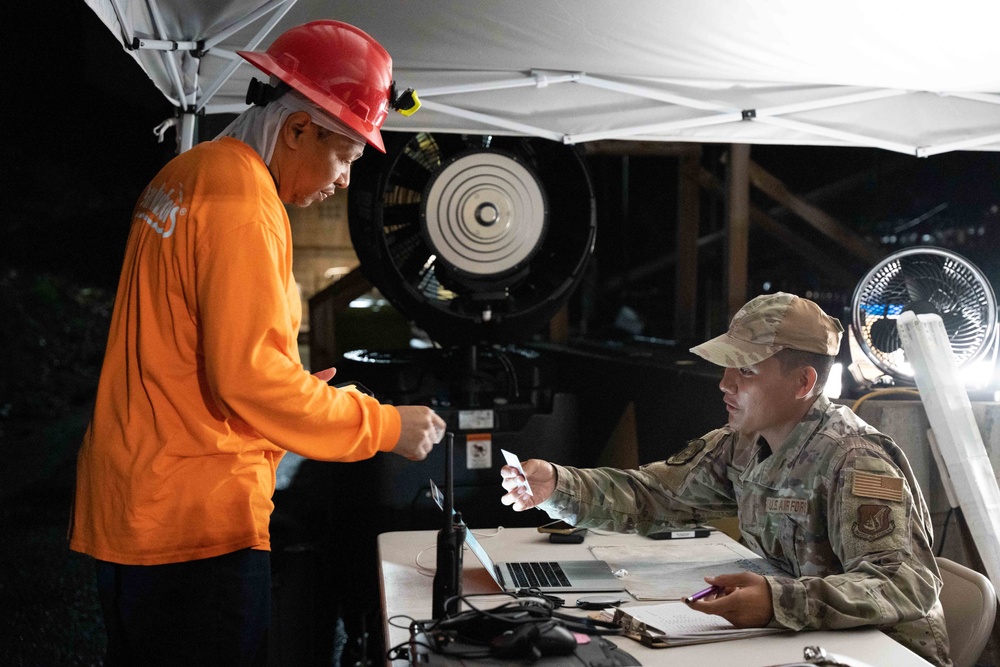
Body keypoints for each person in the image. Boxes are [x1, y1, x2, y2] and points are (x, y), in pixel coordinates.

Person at [69, 20, 444, 666]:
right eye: (347, 156)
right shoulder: (245, 201)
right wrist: (384, 424)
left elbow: (193, 357)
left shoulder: (188, 174)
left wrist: (288, 395)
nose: (347, 180)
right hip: (197, 527)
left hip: (136, 512)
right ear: (298, 128)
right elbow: (249, 380)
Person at [500, 292, 952, 667]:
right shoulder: (740, 442)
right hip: (805, 641)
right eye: (728, 366)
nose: (724, 383)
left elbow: (904, 583)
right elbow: (655, 495)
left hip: (882, 653)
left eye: (746, 370)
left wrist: (779, 602)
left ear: (803, 382)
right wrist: (558, 485)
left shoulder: (857, 461)